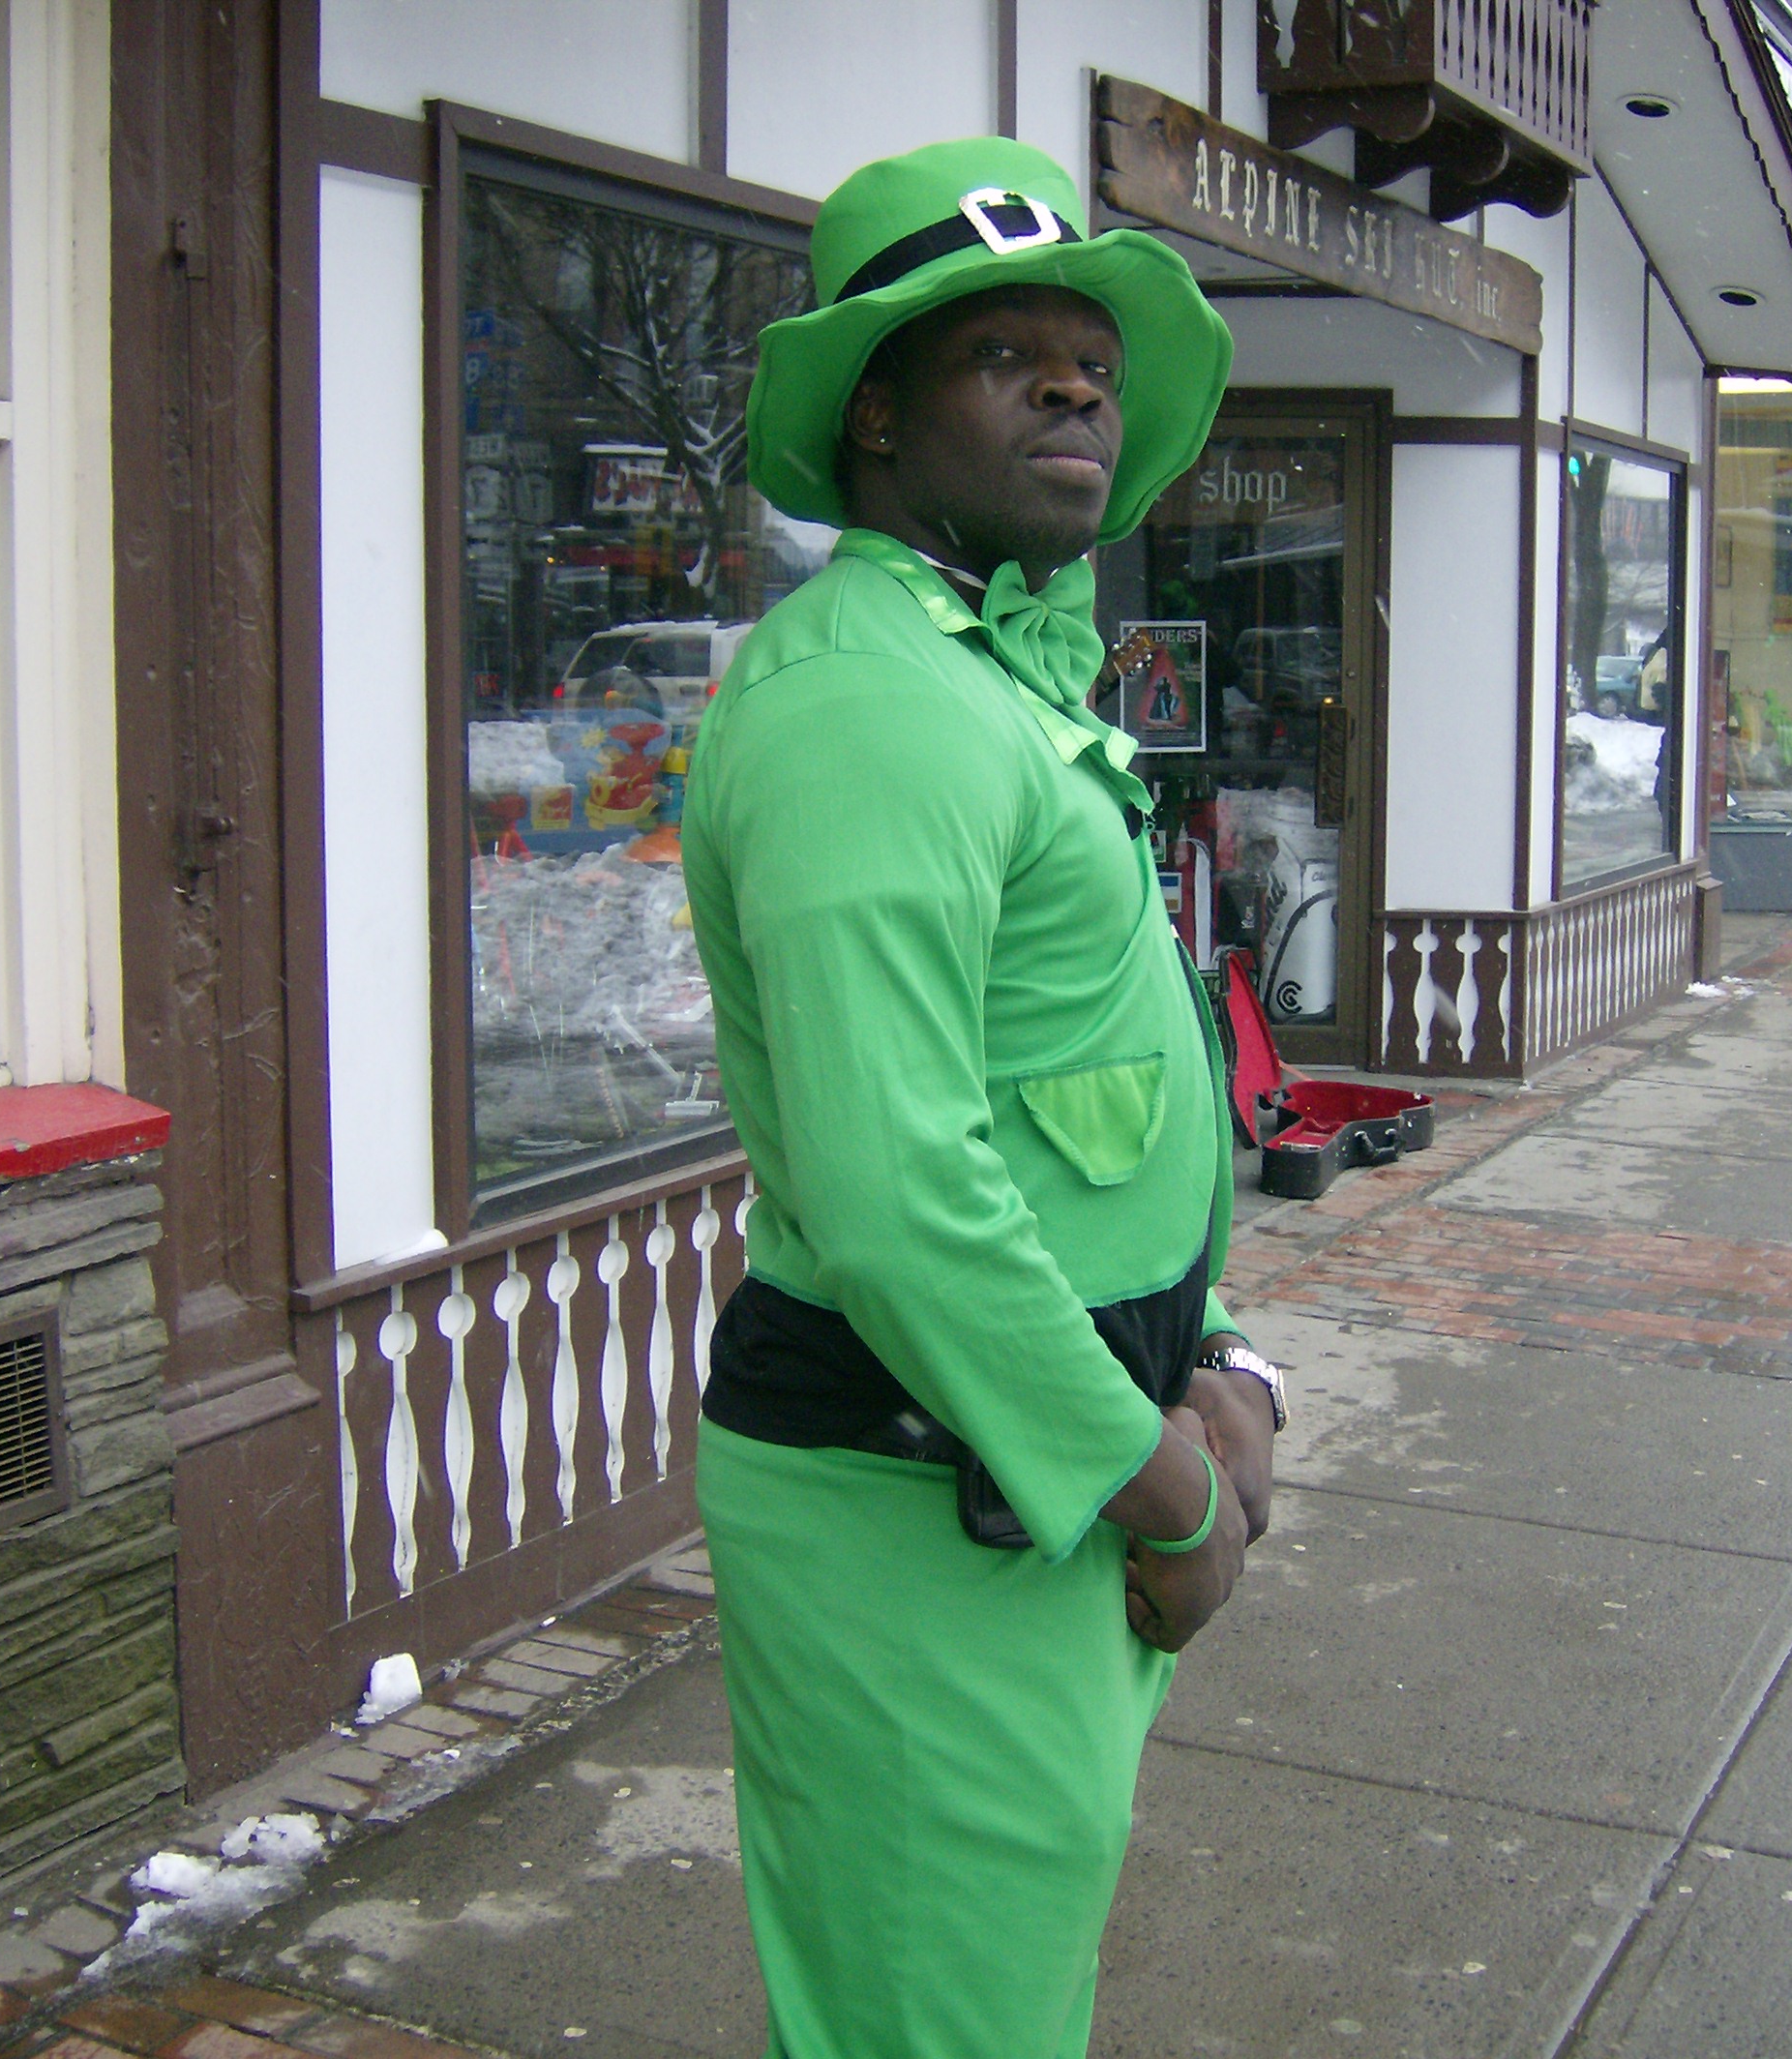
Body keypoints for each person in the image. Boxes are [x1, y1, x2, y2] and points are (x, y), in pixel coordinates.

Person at [683, 138, 1283, 2059]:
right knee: (934, 2020)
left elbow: (1084, 1092)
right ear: (874, 414)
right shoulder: (868, 697)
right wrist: (1167, 1485)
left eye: (1091, 365)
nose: (1072, 393)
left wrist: (1223, 1356)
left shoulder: (995, 675)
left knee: (995, 1994)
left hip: (1042, 1470)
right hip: (927, 1491)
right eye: (1003, 356)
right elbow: (896, 1195)